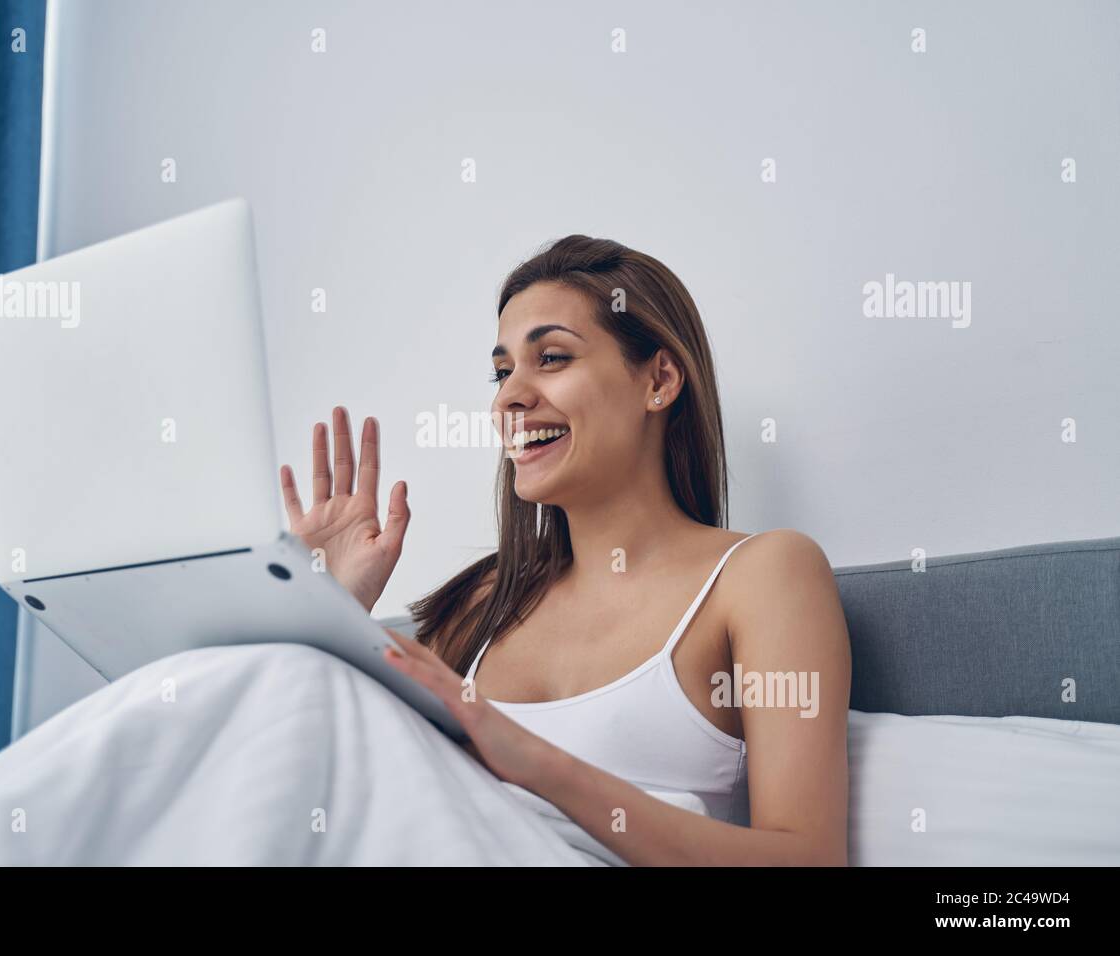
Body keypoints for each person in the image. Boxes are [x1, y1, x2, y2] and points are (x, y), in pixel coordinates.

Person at [278, 235, 852, 866]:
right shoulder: (482, 604)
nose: (508, 398)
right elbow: (346, 795)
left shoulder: (763, 576)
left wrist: (533, 761)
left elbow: (810, 860)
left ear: (658, 379)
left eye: (550, 358)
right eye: (502, 372)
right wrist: (327, 614)